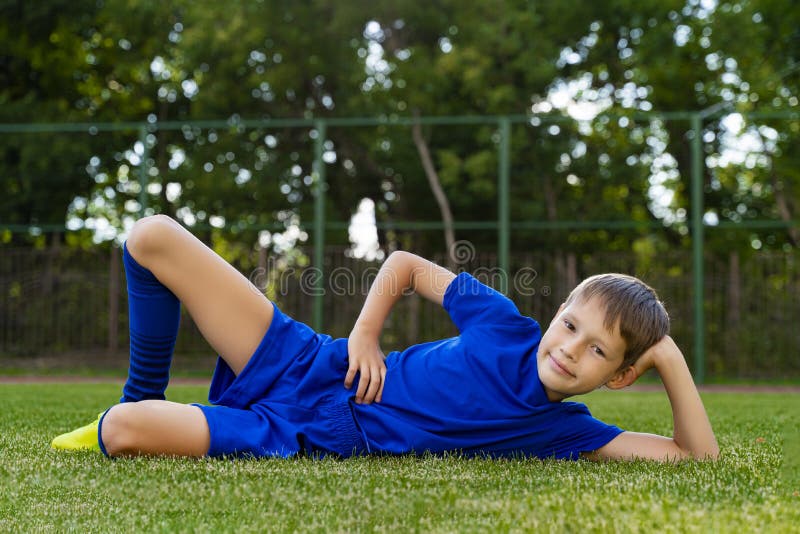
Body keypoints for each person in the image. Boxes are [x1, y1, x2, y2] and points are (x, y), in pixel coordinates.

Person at [51, 214, 719, 462]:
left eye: (598, 350)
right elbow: (403, 265)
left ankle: (140, 412)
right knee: (151, 236)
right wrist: (365, 334)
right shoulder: (502, 322)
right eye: (571, 325)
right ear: (557, 314)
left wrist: (667, 355)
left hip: (311, 433)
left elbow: (696, 456)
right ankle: (142, 391)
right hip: (309, 359)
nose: (571, 349)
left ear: (619, 375)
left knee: (123, 433)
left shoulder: (566, 431)